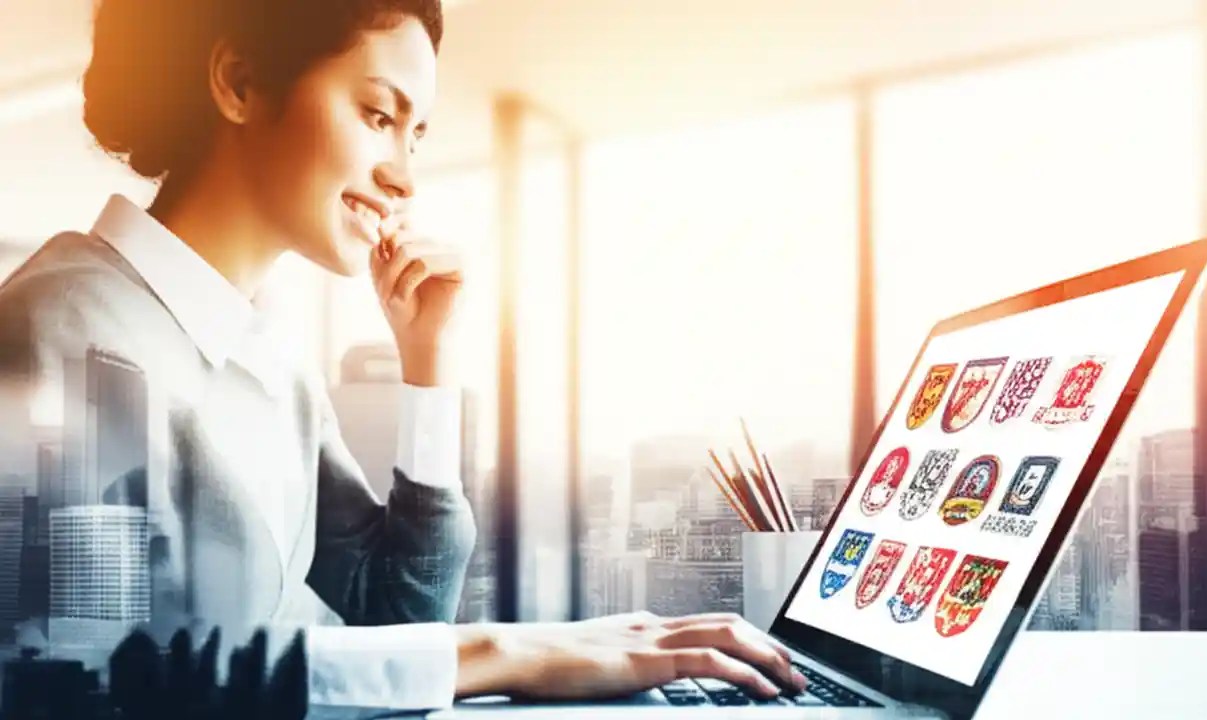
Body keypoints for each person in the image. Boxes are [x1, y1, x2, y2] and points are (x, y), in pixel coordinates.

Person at [0, 0, 805, 710]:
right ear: (239, 83)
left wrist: (429, 361)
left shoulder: (268, 358)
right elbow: (88, 680)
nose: (403, 177)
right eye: (378, 115)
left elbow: (393, 614)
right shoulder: (64, 329)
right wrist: (506, 652)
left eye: (416, 136)